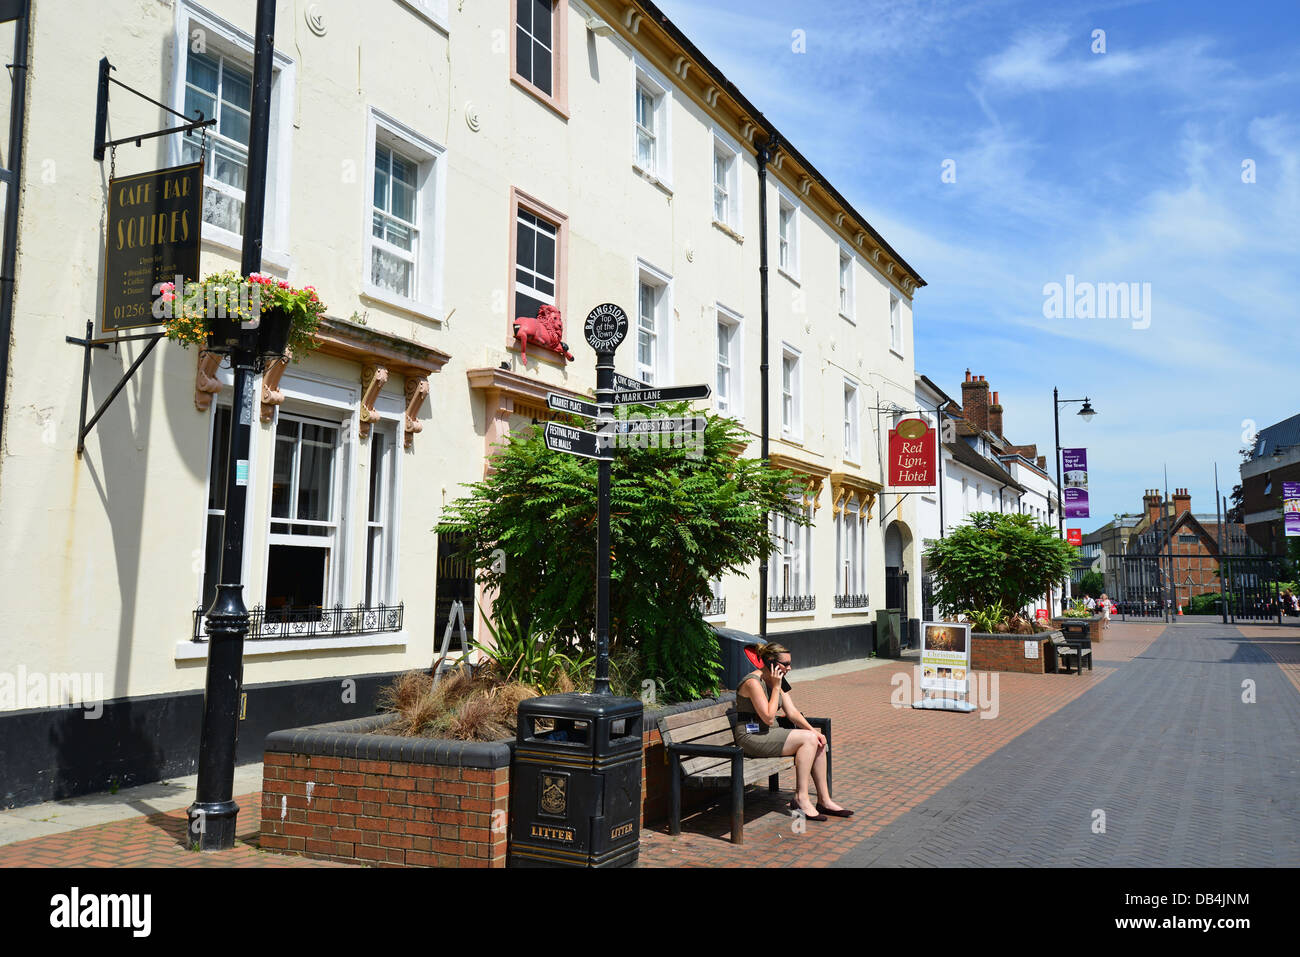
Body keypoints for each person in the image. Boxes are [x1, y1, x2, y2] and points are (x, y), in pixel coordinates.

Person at [734, 642, 851, 821]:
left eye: (790, 664)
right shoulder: (752, 682)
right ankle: (801, 798)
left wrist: (815, 731)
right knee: (808, 740)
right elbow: (769, 717)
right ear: (771, 663)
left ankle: (824, 800)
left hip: (770, 734)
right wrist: (775, 686)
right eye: (786, 664)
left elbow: (792, 713)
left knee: (817, 740)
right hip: (752, 737)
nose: (790, 668)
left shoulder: (778, 680)